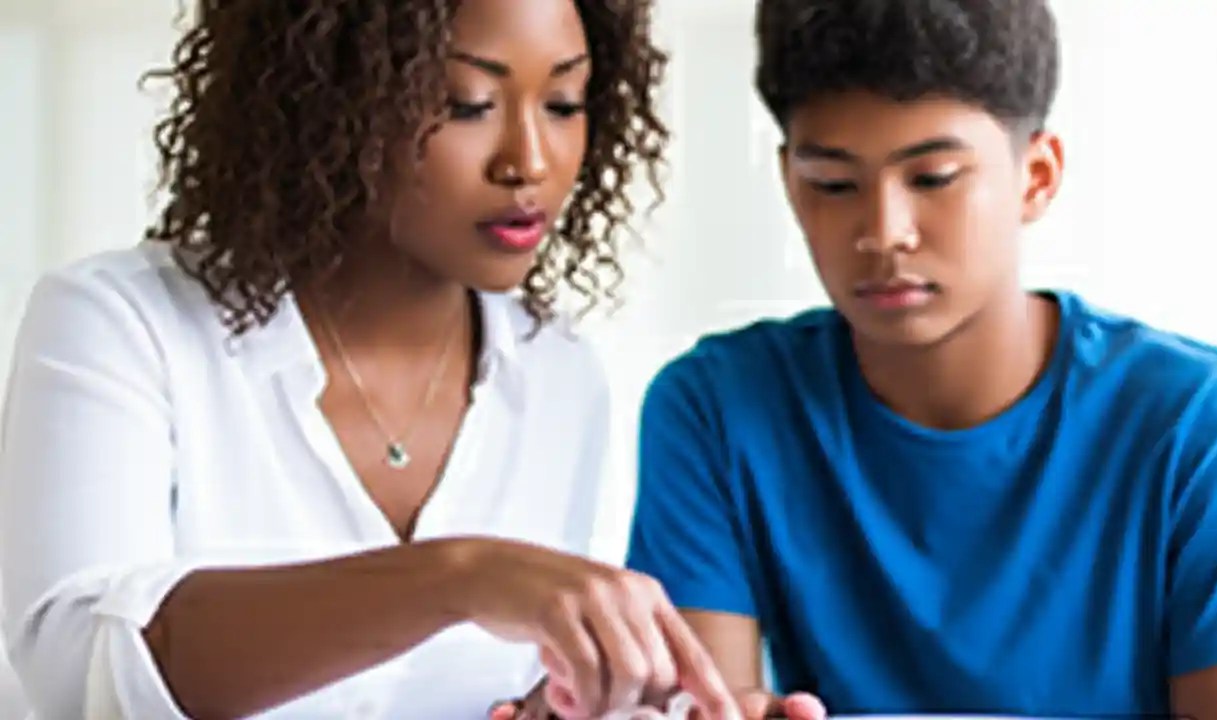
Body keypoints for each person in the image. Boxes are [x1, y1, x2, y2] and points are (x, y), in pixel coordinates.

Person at [0, 1, 742, 718]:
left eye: (564, 103)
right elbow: (83, 678)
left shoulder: (557, 372)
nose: (530, 160)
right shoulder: (119, 324)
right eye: (466, 104)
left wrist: (590, 706)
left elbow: (499, 694)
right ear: (327, 98)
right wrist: (458, 577)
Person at [621, 0, 1217, 719]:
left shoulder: (1192, 421)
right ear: (788, 182)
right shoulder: (719, 409)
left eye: (933, 178)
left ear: (1036, 176)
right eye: (833, 185)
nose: (884, 232)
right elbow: (708, 703)